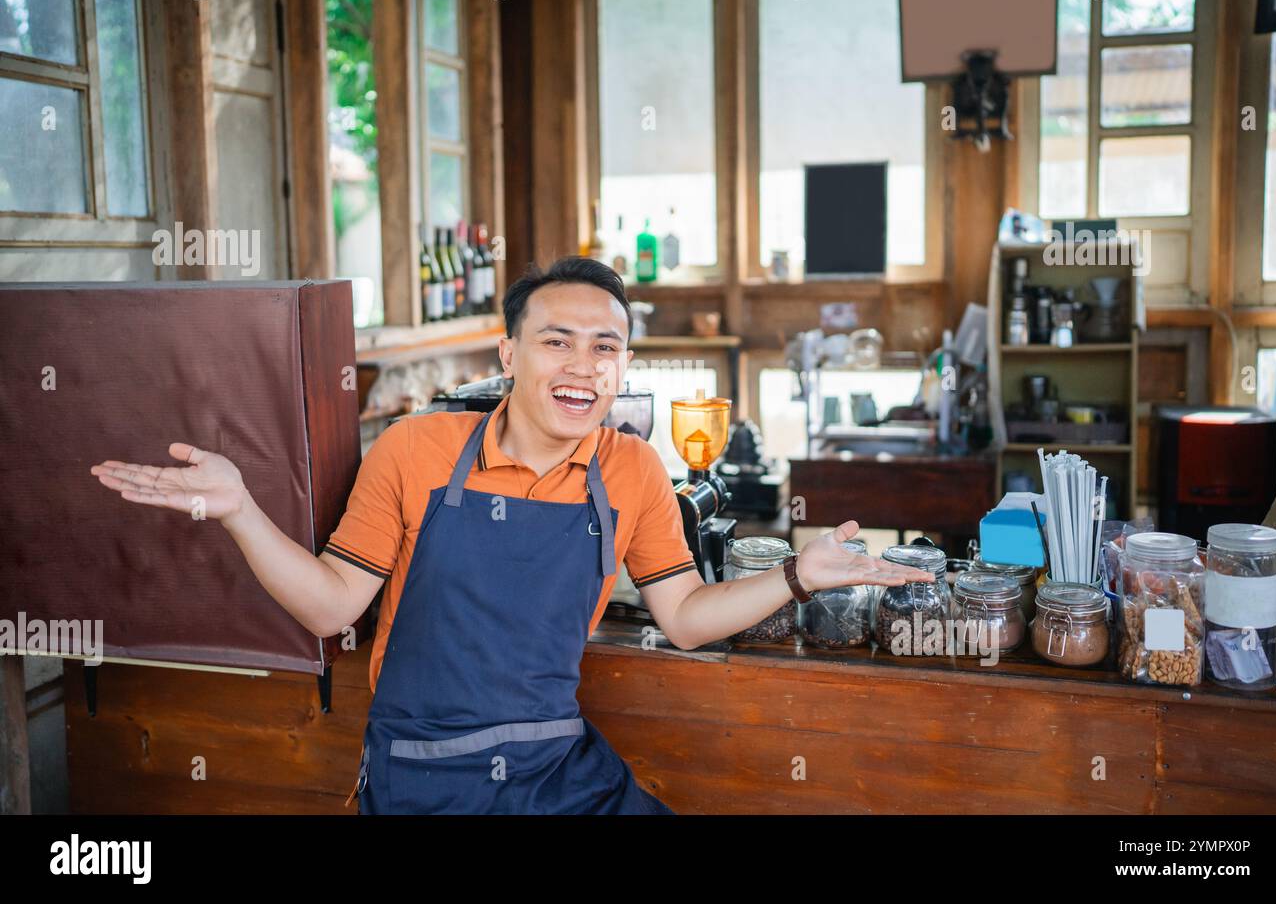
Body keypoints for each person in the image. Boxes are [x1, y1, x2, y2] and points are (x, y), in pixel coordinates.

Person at [91, 256, 928, 814]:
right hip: (422, 771)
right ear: (510, 353)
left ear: (625, 367)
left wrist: (798, 574)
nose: (582, 364)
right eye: (555, 340)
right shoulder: (417, 448)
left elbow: (681, 615)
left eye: (605, 347)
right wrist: (240, 507)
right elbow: (329, 606)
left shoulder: (633, 468)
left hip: (557, 768)